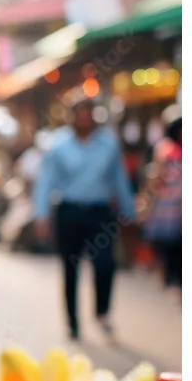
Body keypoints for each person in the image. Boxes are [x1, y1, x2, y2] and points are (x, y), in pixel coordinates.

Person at [34, 100, 136, 341]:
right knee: (70, 268)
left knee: (104, 264)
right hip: (69, 212)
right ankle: (72, 322)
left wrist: (129, 211)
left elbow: (119, 180)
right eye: (79, 115)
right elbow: (45, 181)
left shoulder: (108, 144)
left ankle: (102, 311)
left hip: (99, 213)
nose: (84, 119)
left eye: (87, 114)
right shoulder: (58, 144)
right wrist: (42, 215)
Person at [143, 117, 181, 291]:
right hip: (168, 205)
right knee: (167, 243)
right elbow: (156, 176)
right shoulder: (164, 149)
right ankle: (168, 275)